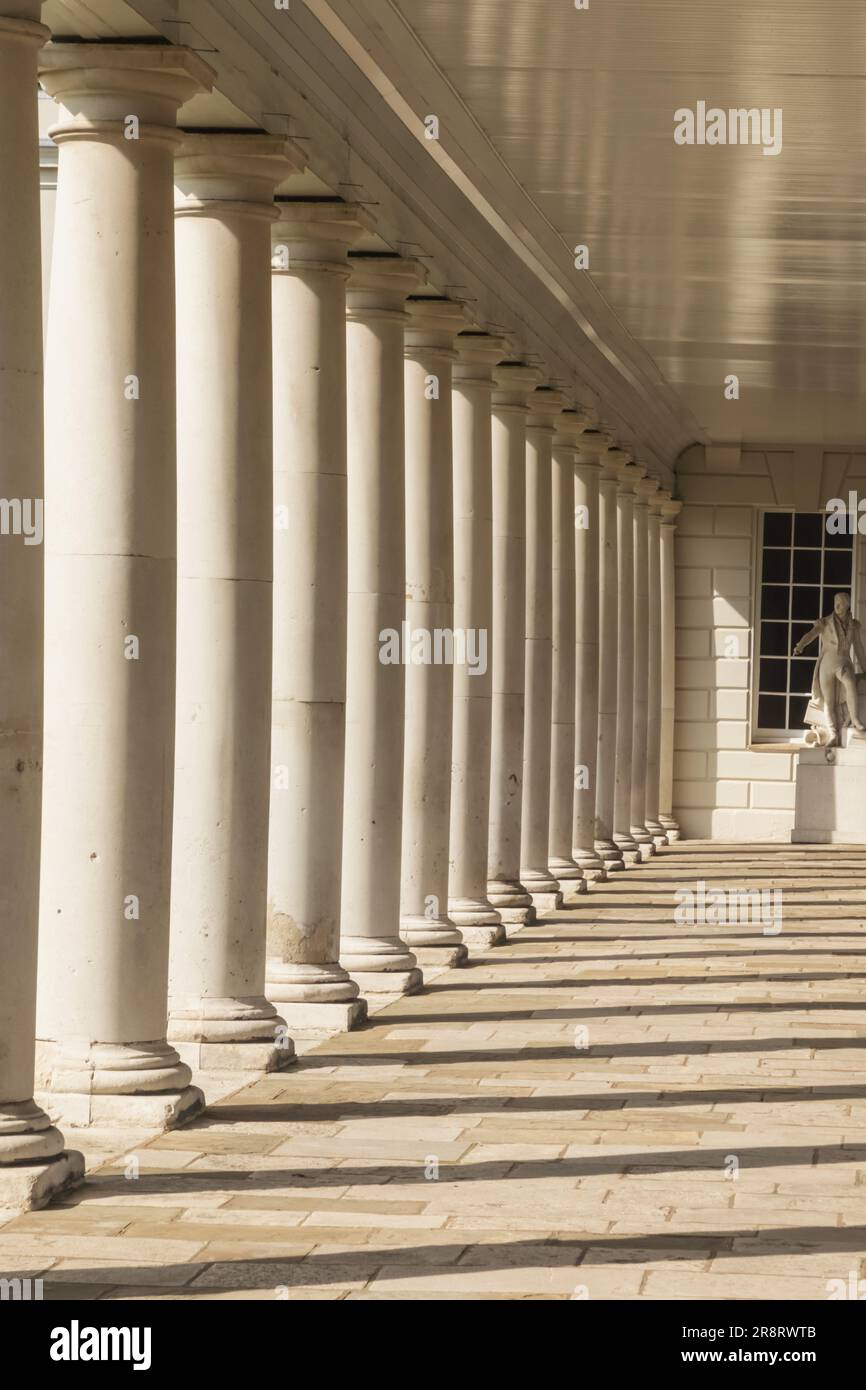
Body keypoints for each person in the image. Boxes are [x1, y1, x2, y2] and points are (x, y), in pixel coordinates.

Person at [793, 592, 866, 746]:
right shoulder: (825, 622)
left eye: (840, 603)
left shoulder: (854, 624)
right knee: (828, 701)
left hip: (844, 661)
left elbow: (858, 647)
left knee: (850, 683)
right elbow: (811, 634)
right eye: (835, 603)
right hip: (827, 663)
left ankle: (855, 720)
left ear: (847, 605)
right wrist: (800, 645)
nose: (837, 606)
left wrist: (865, 667)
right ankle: (833, 734)